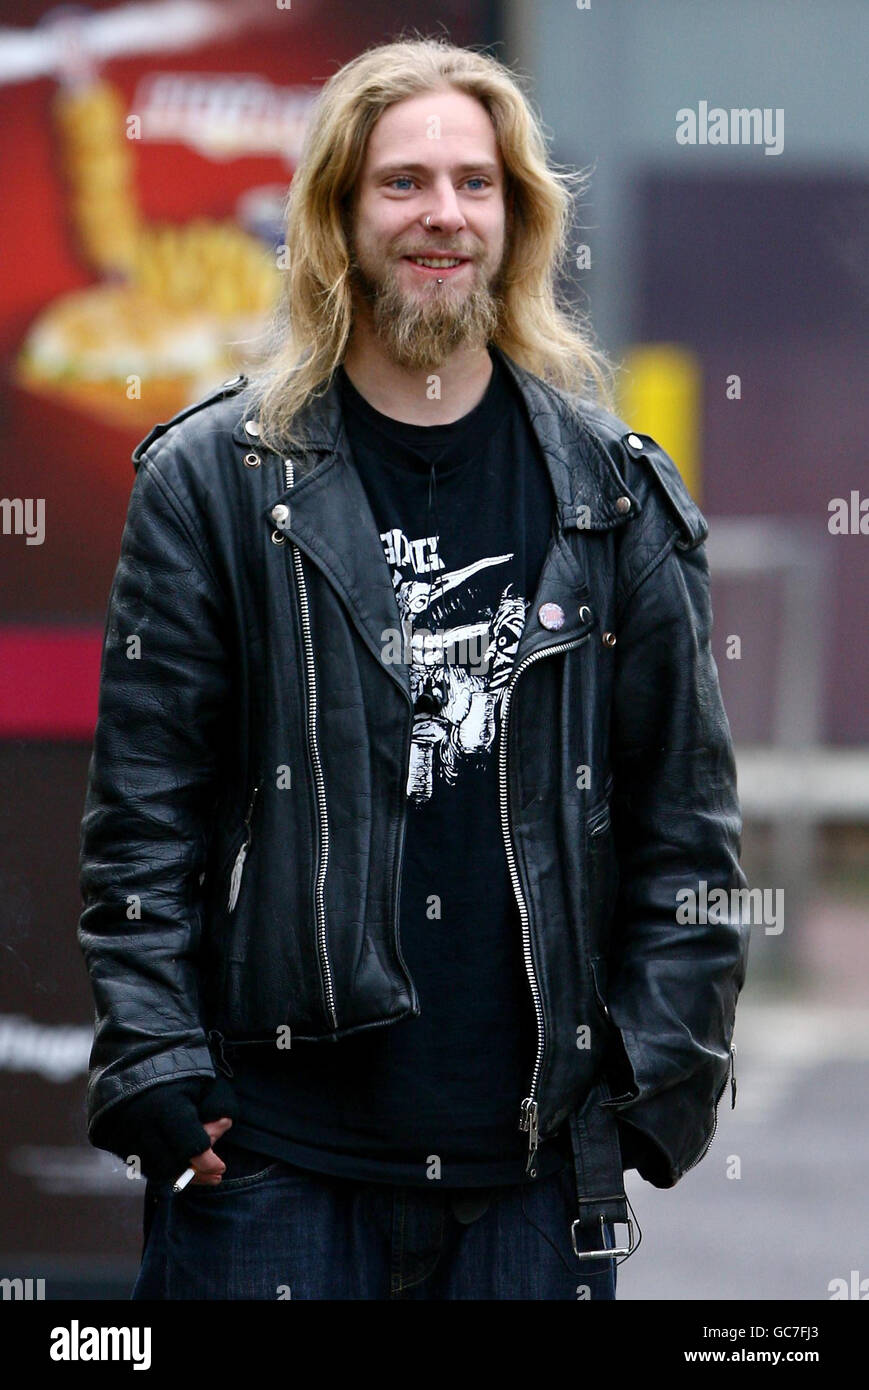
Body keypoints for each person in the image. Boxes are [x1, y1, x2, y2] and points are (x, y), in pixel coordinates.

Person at [78, 35, 749, 1302]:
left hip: (533, 1182)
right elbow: (142, 825)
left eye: (474, 183)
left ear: (515, 218)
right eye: (402, 182)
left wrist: (654, 1082)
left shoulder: (612, 494)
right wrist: (156, 1062)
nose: (442, 213)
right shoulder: (212, 482)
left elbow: (686, 824)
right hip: (271, 1169)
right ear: (336, 216)